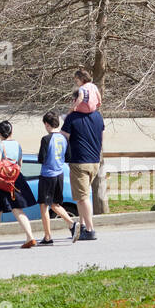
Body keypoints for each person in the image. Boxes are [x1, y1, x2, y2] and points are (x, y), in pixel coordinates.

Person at [0, 120, 37, 250]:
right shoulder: (17, 145)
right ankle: (30, 237)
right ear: (11, 132)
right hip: (14, 180)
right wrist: (13, 175)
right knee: (17, 209)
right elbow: (20, 163)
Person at [63, 67, 106, 241]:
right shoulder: (98, 117)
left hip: (79, 162)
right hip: (95, 161)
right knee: (83, 197)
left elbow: (63, 138)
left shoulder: (72, 118)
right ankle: (81, 228)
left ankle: (90, 229)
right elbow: (101, 137)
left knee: (81, 199)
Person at [36, 111, 78, 244]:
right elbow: (68, 157)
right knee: (55, 204)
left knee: (44, 206)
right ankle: (72, 224)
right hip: (60, 173)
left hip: (47, 175)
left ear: (47, 124)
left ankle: (48, 236)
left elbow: (41, 159)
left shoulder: (46, 139)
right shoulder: (64, 138)